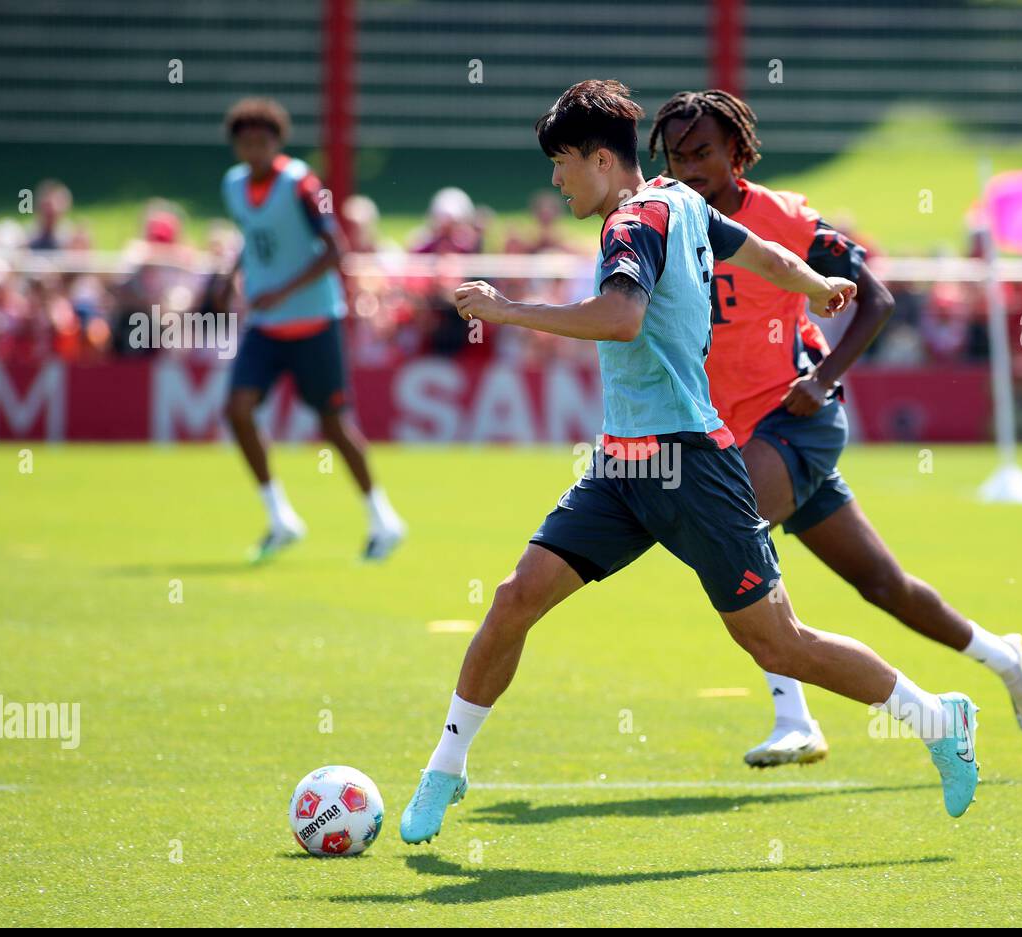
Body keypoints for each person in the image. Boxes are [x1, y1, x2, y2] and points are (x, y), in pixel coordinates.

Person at [400, 80, 981, 845]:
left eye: (562, 164)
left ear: (602, 161)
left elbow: (621, 315)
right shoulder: (678, 198)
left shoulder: (633, 222)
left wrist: (506, 309)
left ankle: (938, 719)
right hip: (623, 466)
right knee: (516, 597)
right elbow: (765, 252)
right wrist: (818, 285)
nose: (556, 179)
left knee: (779, 643)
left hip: (693, 464)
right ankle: (445, 769)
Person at [648, 90, 1022, 766]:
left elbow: (878, 297)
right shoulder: (661, 213)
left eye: (703, 154)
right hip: (733, 433)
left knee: (733, 527)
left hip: (794, 418)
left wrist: (824, 378)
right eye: (677, 155)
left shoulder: (783, 217)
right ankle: (1004, 657)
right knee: (886, 587)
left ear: (737, 154)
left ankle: (795, 718)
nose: (689, 168)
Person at [215, 97, 405, 562]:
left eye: (263, 141)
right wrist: (229, 275)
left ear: (277, 142)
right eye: (246, 142)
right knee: (238, 409)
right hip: (266, 325)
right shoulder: (234, 185)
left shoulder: (302, 183)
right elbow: (254, 237)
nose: (254, 150)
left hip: (315, 321)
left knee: (334, 425)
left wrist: (280, 289)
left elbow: (333, 249)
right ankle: (280, 517)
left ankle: (384, 518)